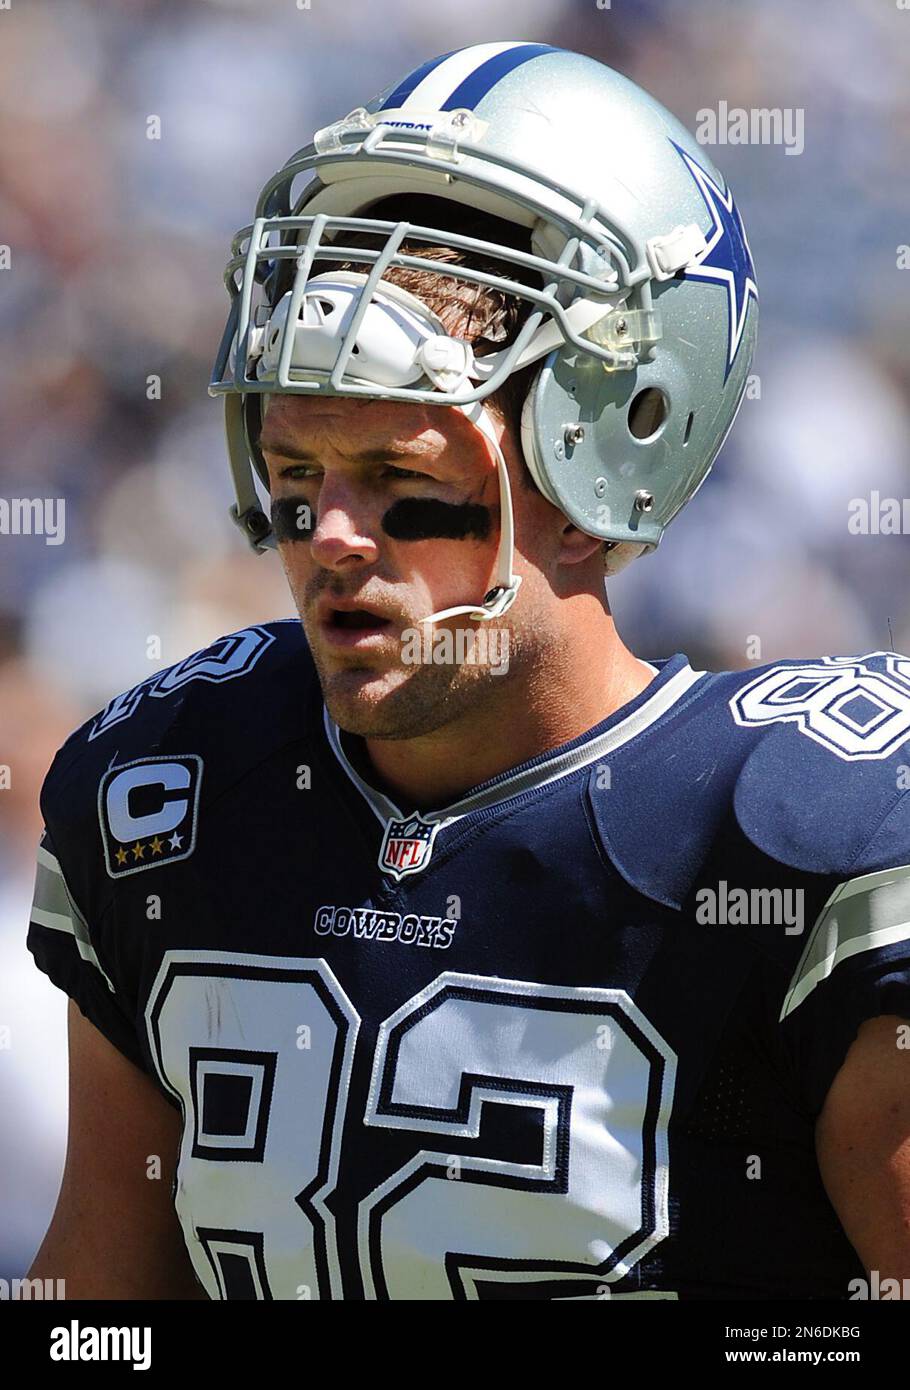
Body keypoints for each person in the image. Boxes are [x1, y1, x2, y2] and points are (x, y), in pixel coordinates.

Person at [27, 41, 910, 1300]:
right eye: (293, 475)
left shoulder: (793, 837)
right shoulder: (178, 791)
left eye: (403, 482)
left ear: (609, 453)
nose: (329, 537)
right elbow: (100, 1309)